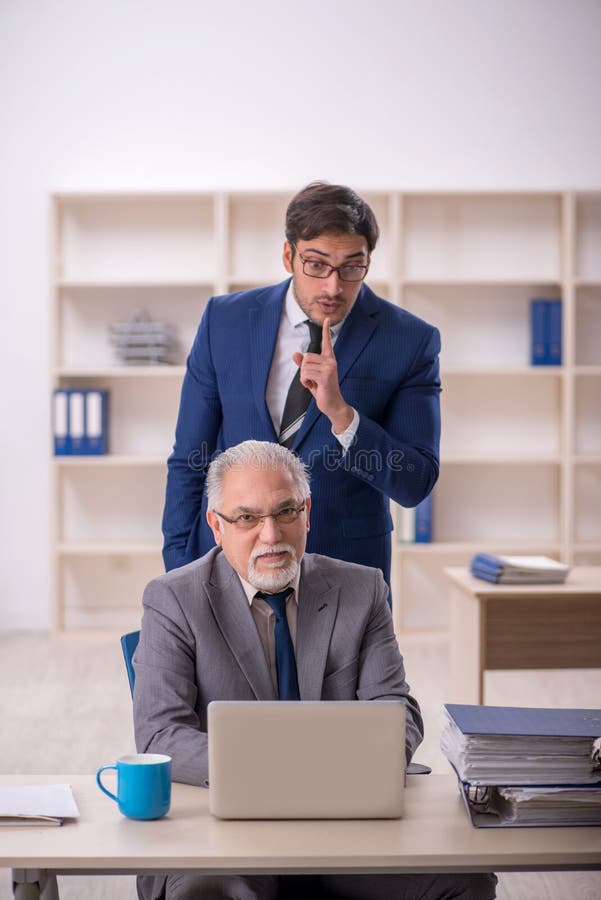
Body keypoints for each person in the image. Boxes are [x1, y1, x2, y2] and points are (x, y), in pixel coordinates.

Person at [134, 440, 496, 900]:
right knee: (213, 890)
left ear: (308, 513)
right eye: (247, 518)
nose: (271, 535)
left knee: (465, 880)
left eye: (285, 512)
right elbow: (159, 734)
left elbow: (397, 711)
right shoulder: (173, 599)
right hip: (223, 827)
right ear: (216, 527)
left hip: (345, 824)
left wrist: (335, 775)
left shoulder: (361, 588)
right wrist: (286, 771)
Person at [161, 182, 441, 592]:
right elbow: (189, 459)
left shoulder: (409, 341)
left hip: (344, 567)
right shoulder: (226, 321)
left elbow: (415, 481)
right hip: (229, 563)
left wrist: (343, 416)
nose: (333, 286)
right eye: (317, 264)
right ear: (288, 255)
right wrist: (181, 572)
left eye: (351, 267)